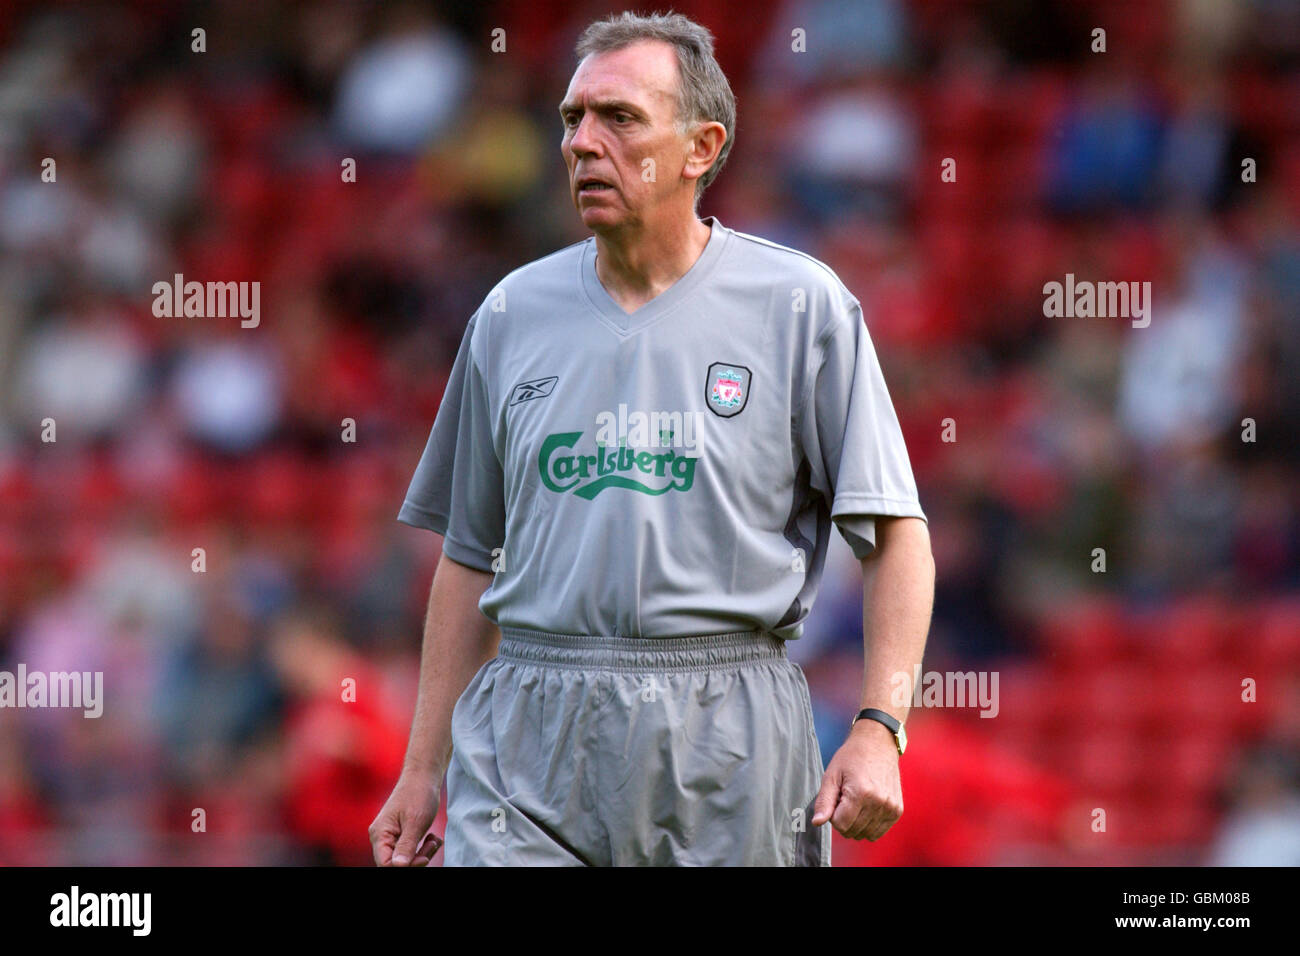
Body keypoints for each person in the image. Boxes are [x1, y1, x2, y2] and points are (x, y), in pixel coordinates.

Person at [370, 10, 934, 867]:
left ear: (700, 147)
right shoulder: (510, 314)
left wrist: (880, 725)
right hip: (526, 731)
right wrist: (422, 766)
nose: (581, 144)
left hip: (727, 736)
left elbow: (895, 536)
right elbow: (469, 554)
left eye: (619, 118)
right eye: (572, 119)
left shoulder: (800, 307)